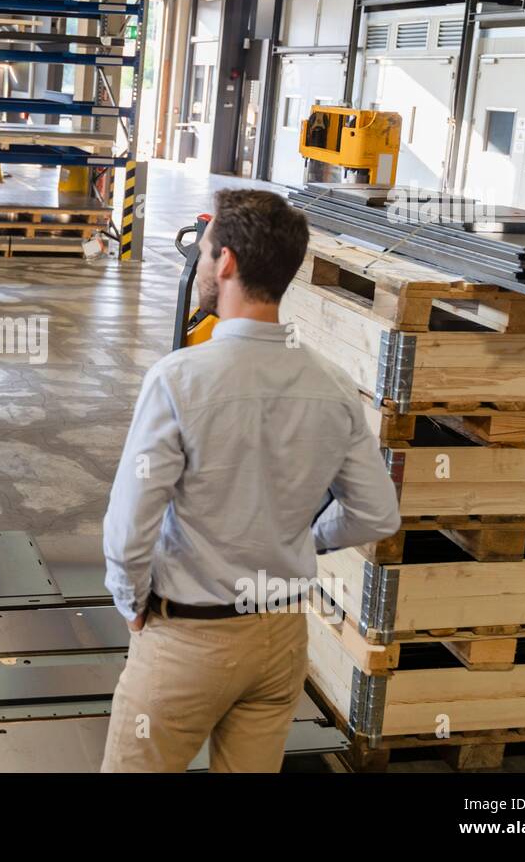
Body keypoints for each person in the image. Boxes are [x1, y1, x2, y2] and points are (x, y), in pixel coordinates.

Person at [100, 188, 401, 773]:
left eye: (207, 250)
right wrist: (300, 540)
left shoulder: (178, 380)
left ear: (227, 262)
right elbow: (375, 515)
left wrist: (130, 603)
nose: (203, 262)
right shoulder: (333, 384)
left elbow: (129, 527)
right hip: (281, 642)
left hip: (188, 640)